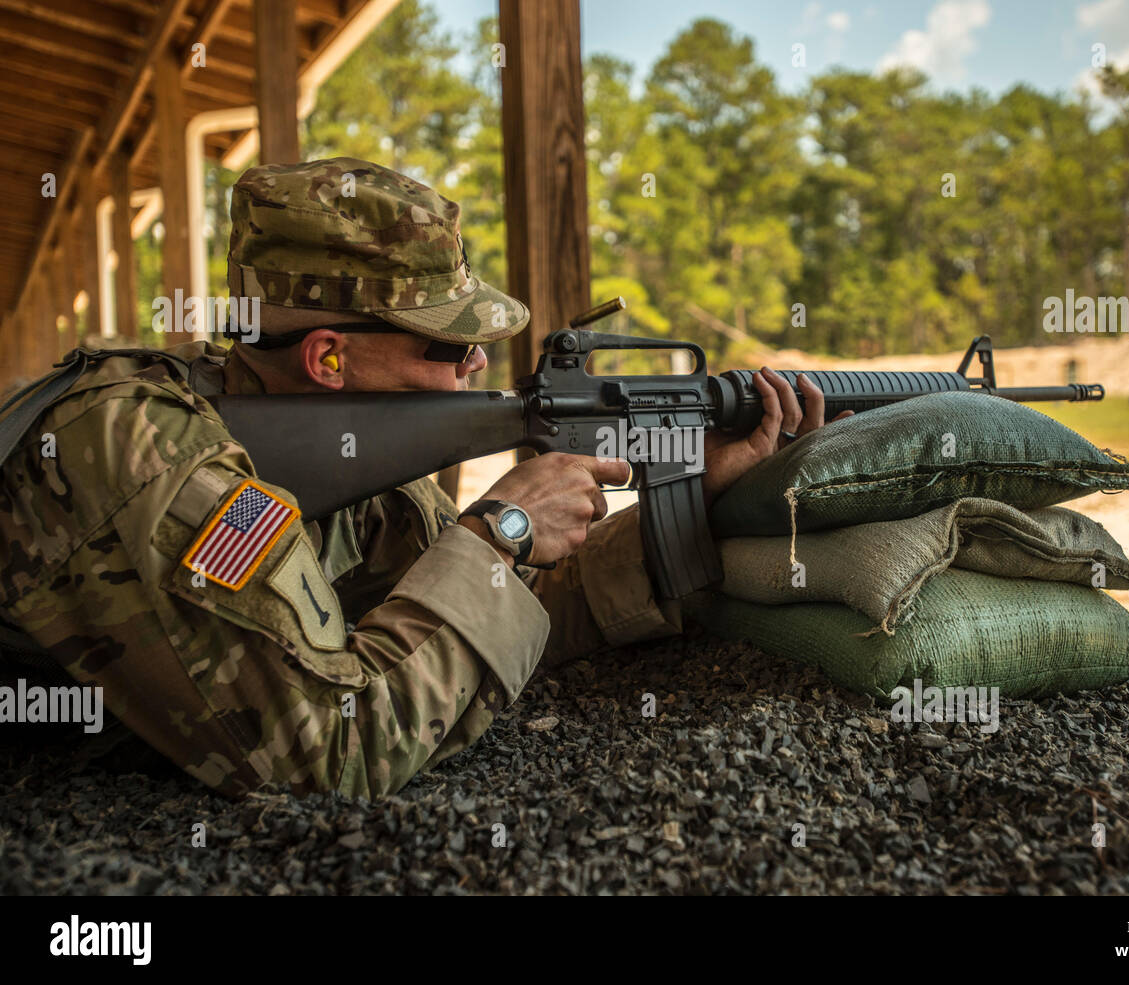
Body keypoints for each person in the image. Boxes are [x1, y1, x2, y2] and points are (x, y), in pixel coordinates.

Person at [0, 157, 842, 798]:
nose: (477, 364)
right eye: (447, 347)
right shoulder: (150, 453)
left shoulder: (337, 452)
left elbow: (500, 617)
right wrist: (500, 527)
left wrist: (694, 496)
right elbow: (327, 754)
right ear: (328, 357)